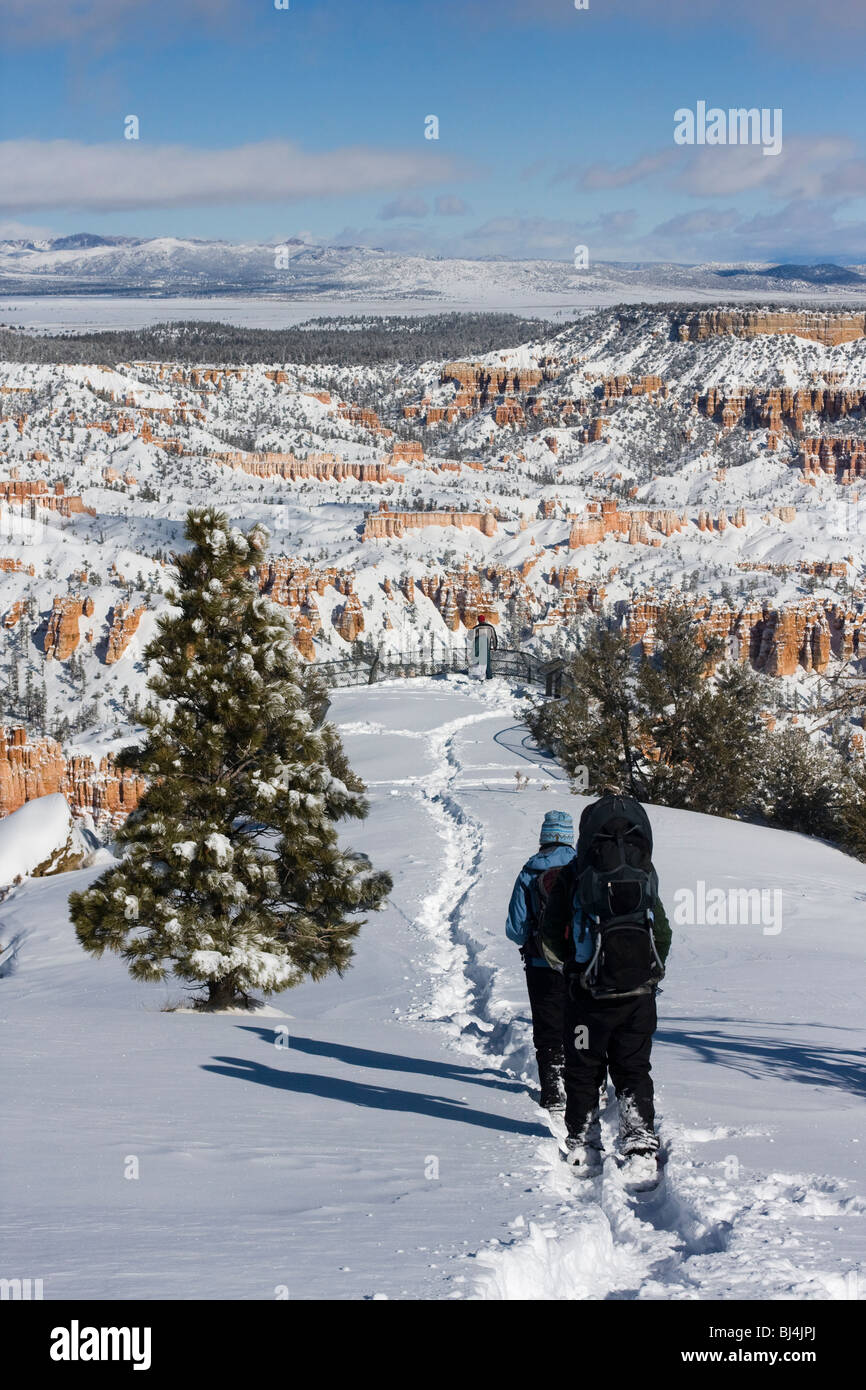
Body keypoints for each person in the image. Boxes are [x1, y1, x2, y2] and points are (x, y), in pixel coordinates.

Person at [541, 794, 672, 1170]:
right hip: (638, 996)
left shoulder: (574, 874)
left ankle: (584, 1139)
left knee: (583, 1066)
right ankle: (639, 1139)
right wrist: (650, 972)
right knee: (633, 1065)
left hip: (587, 998)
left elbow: (551, 938)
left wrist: (569, 971)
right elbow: (660, 931)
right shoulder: (644, 871)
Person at [505, 810, 575, 1109]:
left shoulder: (529, 872)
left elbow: (514, 929)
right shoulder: (584, 869)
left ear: (544, 837)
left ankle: (552, 1090)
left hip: (540, 964)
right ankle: (587, 1087)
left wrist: (537, 939)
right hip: (580, 963)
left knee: (548, 1027)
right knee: (580, 1024)